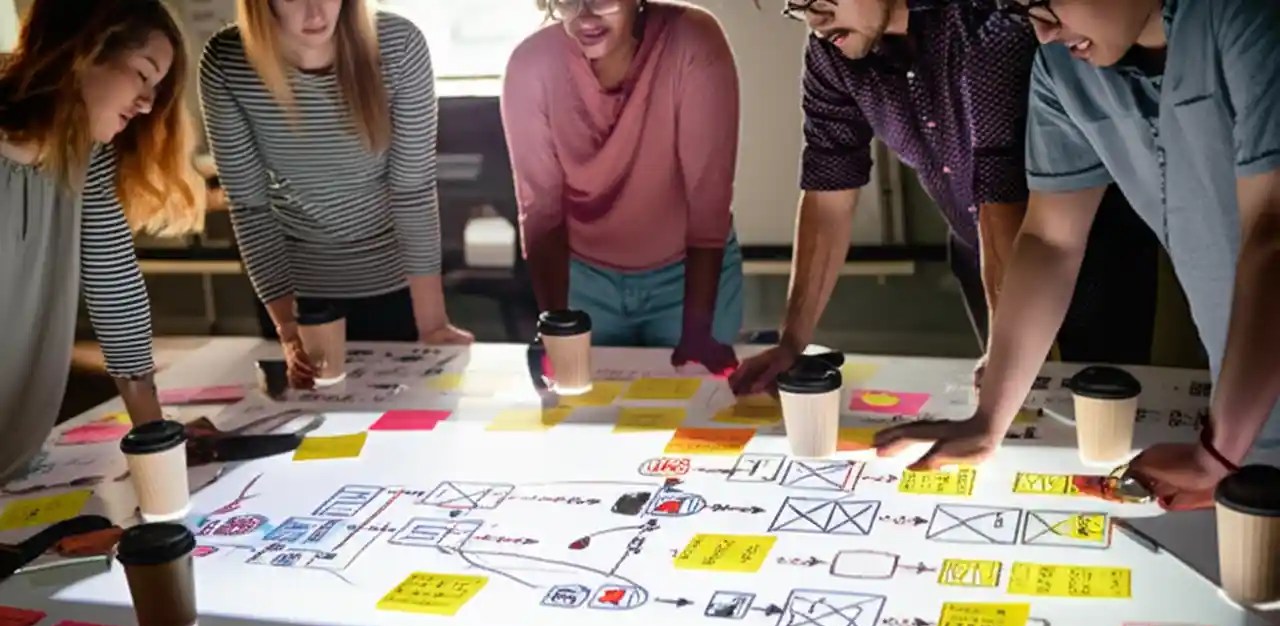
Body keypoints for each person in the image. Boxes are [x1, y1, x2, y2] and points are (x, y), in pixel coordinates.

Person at [875, 0, 1280, 510]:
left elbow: (1272, 238)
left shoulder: (1246, 19)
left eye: (1046, 3)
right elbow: (1050, 241)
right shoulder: (1066, 71)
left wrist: (1216, 457)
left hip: (1238, 432)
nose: (1043, 33)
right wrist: (990, 418)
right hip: (1248, 418)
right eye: (1024, 10)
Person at [728, 0, 1160, 396]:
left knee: (1105, 417)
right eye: (795, 5)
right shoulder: (831, 52)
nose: (814, 19)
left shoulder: (986, 17)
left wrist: (1005, 356)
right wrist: (791, 342)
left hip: (1096, 256)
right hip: (979, 253)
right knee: (1019, 420)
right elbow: (829, 192)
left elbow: (999, 192)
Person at [199, 0, 472, 389]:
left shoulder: (399, 45)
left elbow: (412, 190)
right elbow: (249, 206)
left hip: (397, 289)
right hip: (297, 298)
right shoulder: (226, 62)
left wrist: (432, 324)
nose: (315, 14)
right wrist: (290, 332)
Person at [0, 0, 204, 482]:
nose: (149, 104)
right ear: (85, 51)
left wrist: (156, 439)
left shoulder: (86, 160)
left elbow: (117, 291)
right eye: (142, 74)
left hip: (14, 459)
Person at [501, 0, 745, 374]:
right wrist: (556, 322)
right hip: (583, 279)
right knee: (586, 417)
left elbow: (708, 199)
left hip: (687, 274)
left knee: (692, 410)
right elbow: (540, 210)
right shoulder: (531, 65)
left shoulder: (693, 41)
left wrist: (698, 330)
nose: (584, 15)